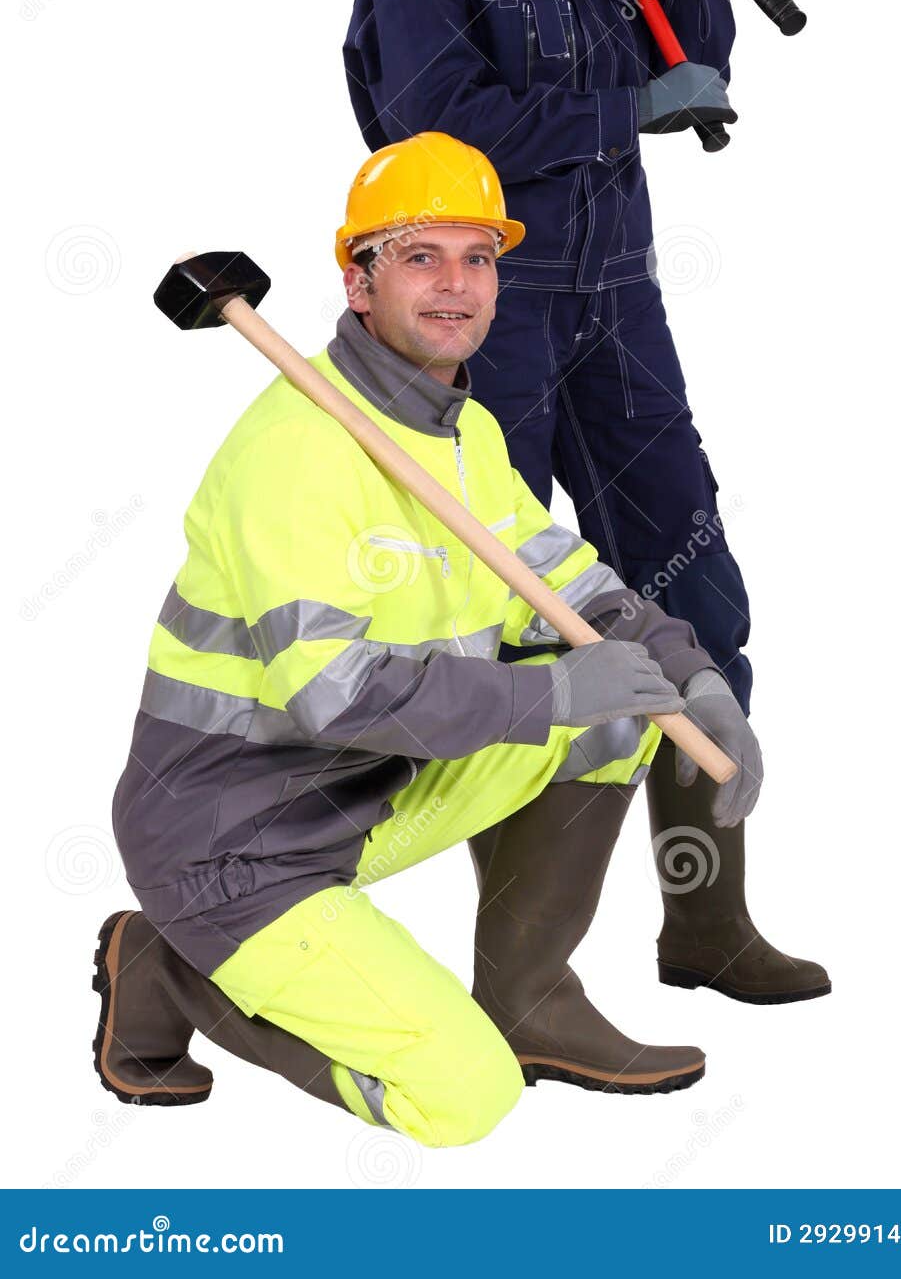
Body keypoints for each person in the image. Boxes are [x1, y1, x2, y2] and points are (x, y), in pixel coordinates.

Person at [342, 0, 829, 1003]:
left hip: (622, 309)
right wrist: (624, 101)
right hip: (483, 319)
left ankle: (704, 923)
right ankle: (515, 977)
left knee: (696, 606)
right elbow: (433, 119)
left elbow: (695, 55)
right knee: (506, 636)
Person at [97, 134, 764, 1147]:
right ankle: (178, 964)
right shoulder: (294, 452)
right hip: (232, 849)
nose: (456, 285)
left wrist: (692, 677)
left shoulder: (462, 434)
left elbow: (573, 590)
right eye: (420, 256)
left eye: (478, 257)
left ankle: (526, 1002)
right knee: (463, 1099)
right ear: (359, 282)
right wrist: (551, 695)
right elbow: (332, 695)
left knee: (623, 709)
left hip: (366, 796)